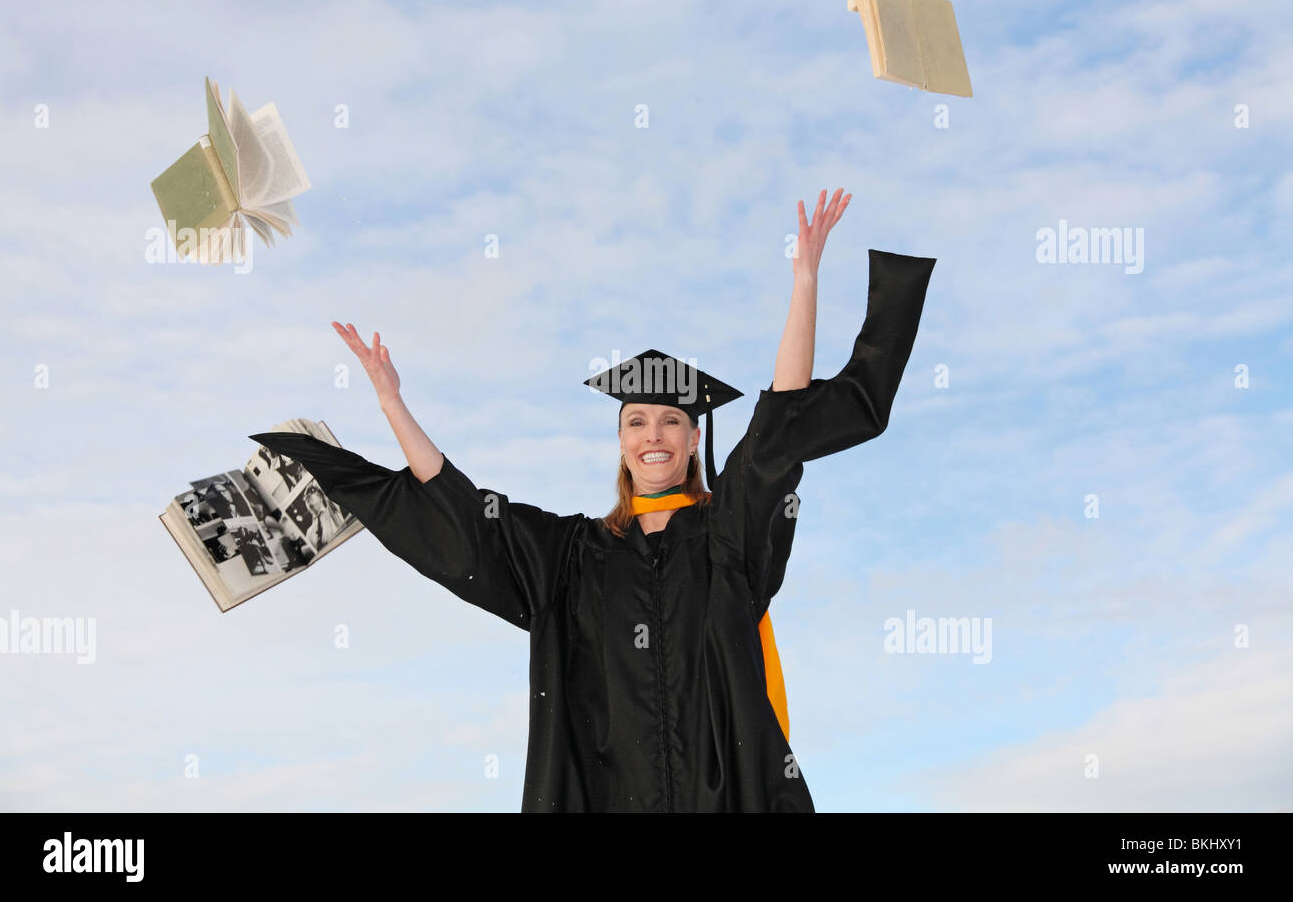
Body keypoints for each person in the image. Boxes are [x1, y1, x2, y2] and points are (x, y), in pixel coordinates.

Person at [250, 189, 937, 811]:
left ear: (694, 438)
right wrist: (393, 405)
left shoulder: (726, 533)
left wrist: (805, 283)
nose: (654, 436)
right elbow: (465, 515)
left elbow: (780, 428)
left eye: (670, 421)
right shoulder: (573, 556)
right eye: (637, 422)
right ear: (620, 442)